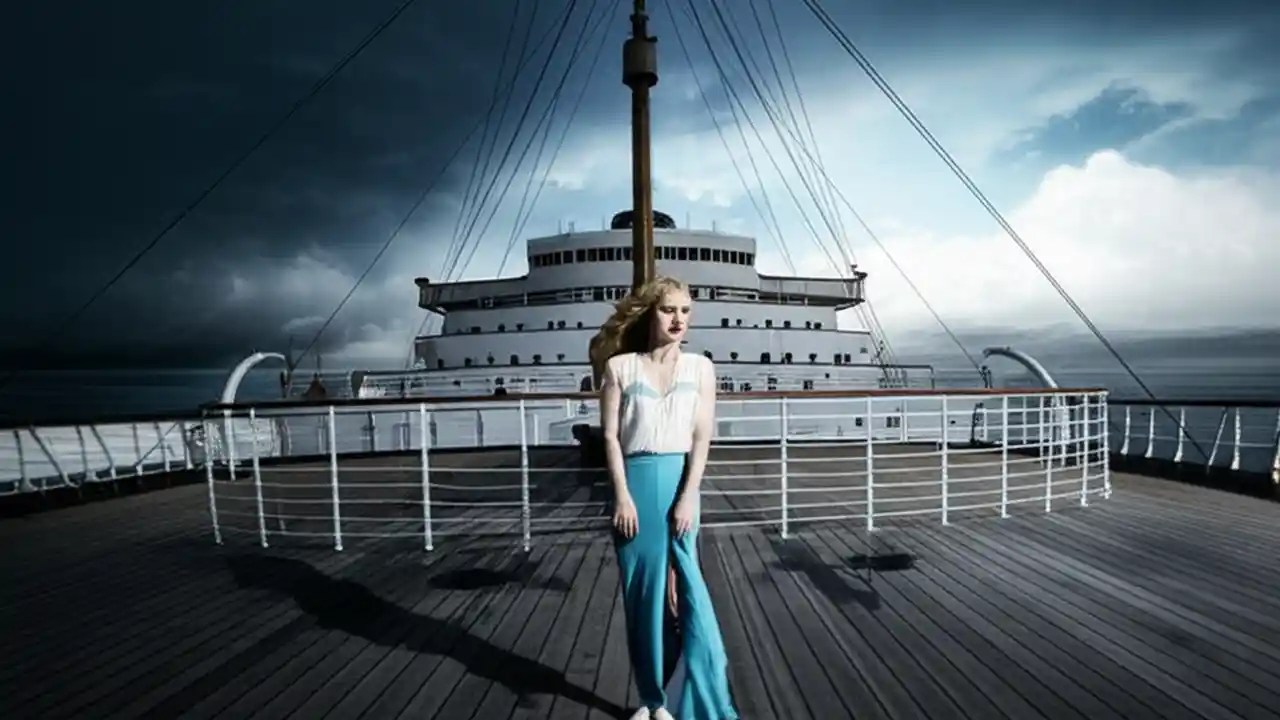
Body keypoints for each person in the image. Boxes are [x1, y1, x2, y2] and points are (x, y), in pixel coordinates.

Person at [591, 276, 739, 720]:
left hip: (681, 484)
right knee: (643, 596)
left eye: (685, 311)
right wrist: (621, 497)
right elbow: (612, 438)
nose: (678, 319)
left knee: (686, 595)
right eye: (669, 309)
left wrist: (690, 495)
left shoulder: (701, 368)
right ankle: (652, 700)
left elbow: (702, 436)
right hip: (634, 486)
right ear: (650, 312)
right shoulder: (621, 368)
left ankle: (691, 696)